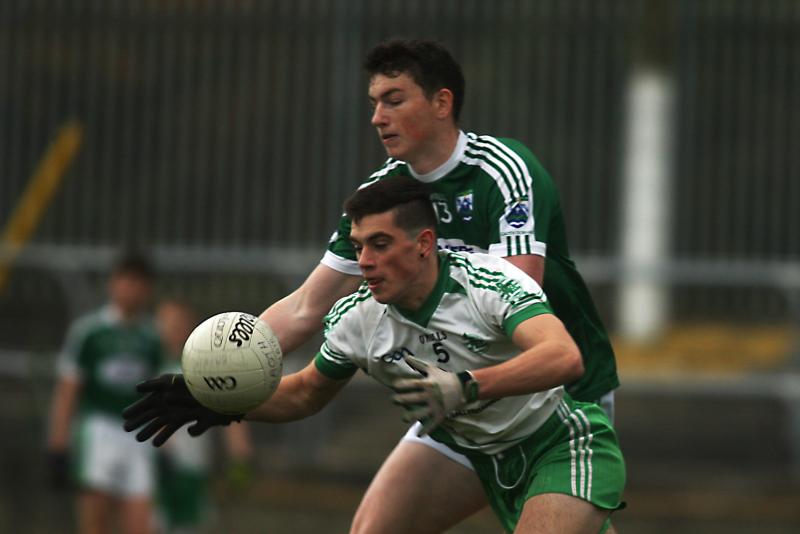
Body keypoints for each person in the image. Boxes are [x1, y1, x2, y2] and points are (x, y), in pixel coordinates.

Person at [125, 38, 621, 532]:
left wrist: (457, 382)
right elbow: (305, 309)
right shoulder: (378, 203)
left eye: (393, 100)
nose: (377, 117)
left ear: (442, 102)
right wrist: (223, 381)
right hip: (453, 407)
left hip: (554, 400)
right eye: (373, 103)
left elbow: (517, 296)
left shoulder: (502, 173)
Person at [47, 249, 164, 534]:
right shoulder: (90, 332)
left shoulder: (152, 336)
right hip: (98, 431)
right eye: (127, 280)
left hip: (139, 435)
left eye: (140, 283)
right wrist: (58, 445)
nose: (133, 289)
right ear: (113, 283)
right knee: (95, 521)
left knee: (140, 522)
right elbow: (68, 391)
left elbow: (160, 394)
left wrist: (165, 445)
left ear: (148, 289)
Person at [154, 299, 255, 534]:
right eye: (166, 323)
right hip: (152, 469)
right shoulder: (149, 364)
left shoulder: (203, 370)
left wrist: (241, 456)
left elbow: (229, 414)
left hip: (190, 469)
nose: (172, 329)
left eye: (179, 323)